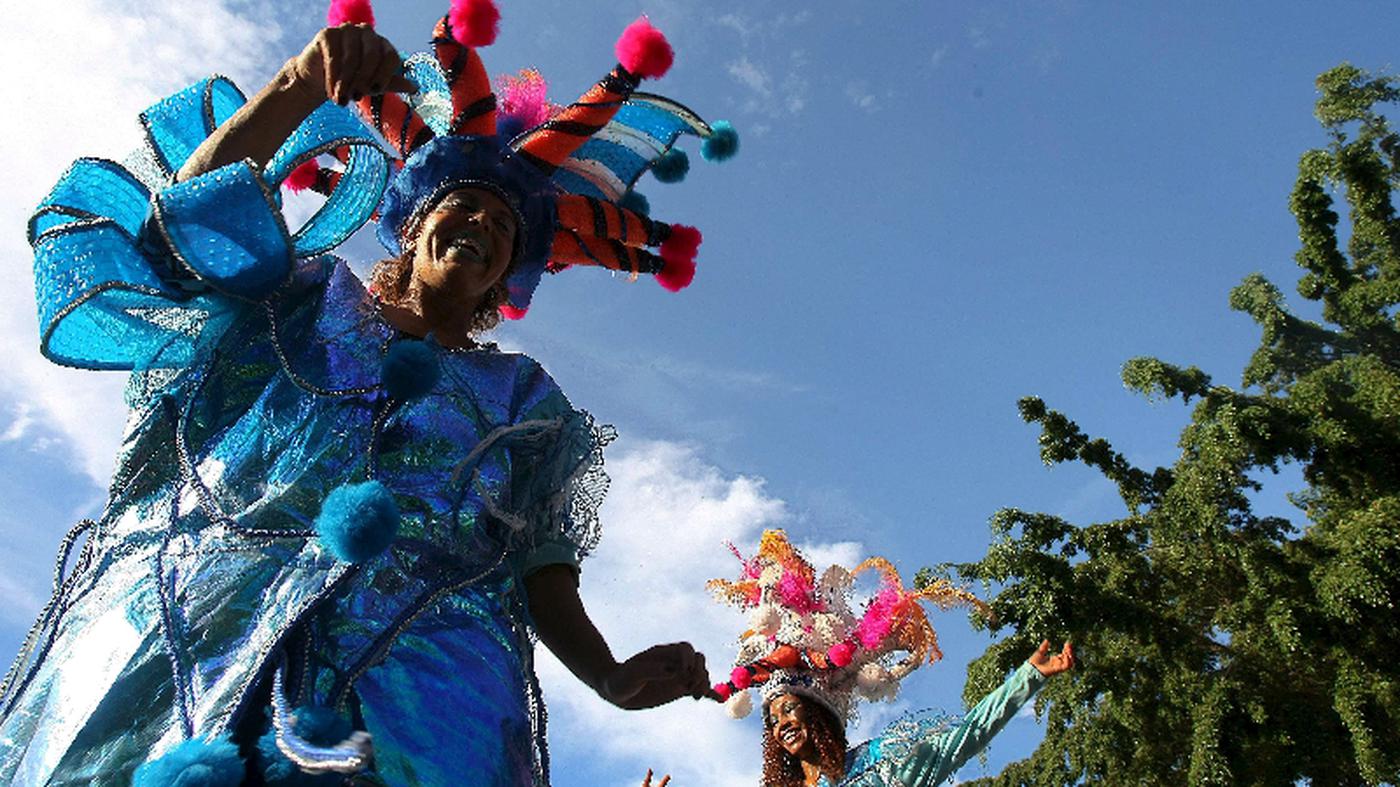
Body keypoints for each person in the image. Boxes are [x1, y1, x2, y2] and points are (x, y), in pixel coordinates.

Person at [0, 1, 736, 784]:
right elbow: (184, 227)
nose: (481, 223)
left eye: (503, 225)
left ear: (508, 275)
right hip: (204, 635)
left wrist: (607, 675)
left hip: (425, 703)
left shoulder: (527, 402)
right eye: (463, 204)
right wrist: (296, 84)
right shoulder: (300, 294)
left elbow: (538, 563)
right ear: (412, 224)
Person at [708, 531, 1075, 786]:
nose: (781, 723)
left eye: (787, 709)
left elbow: (966, 736)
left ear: (818, 712)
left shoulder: (882, 768)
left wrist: (1027, 677)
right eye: (772, 719)